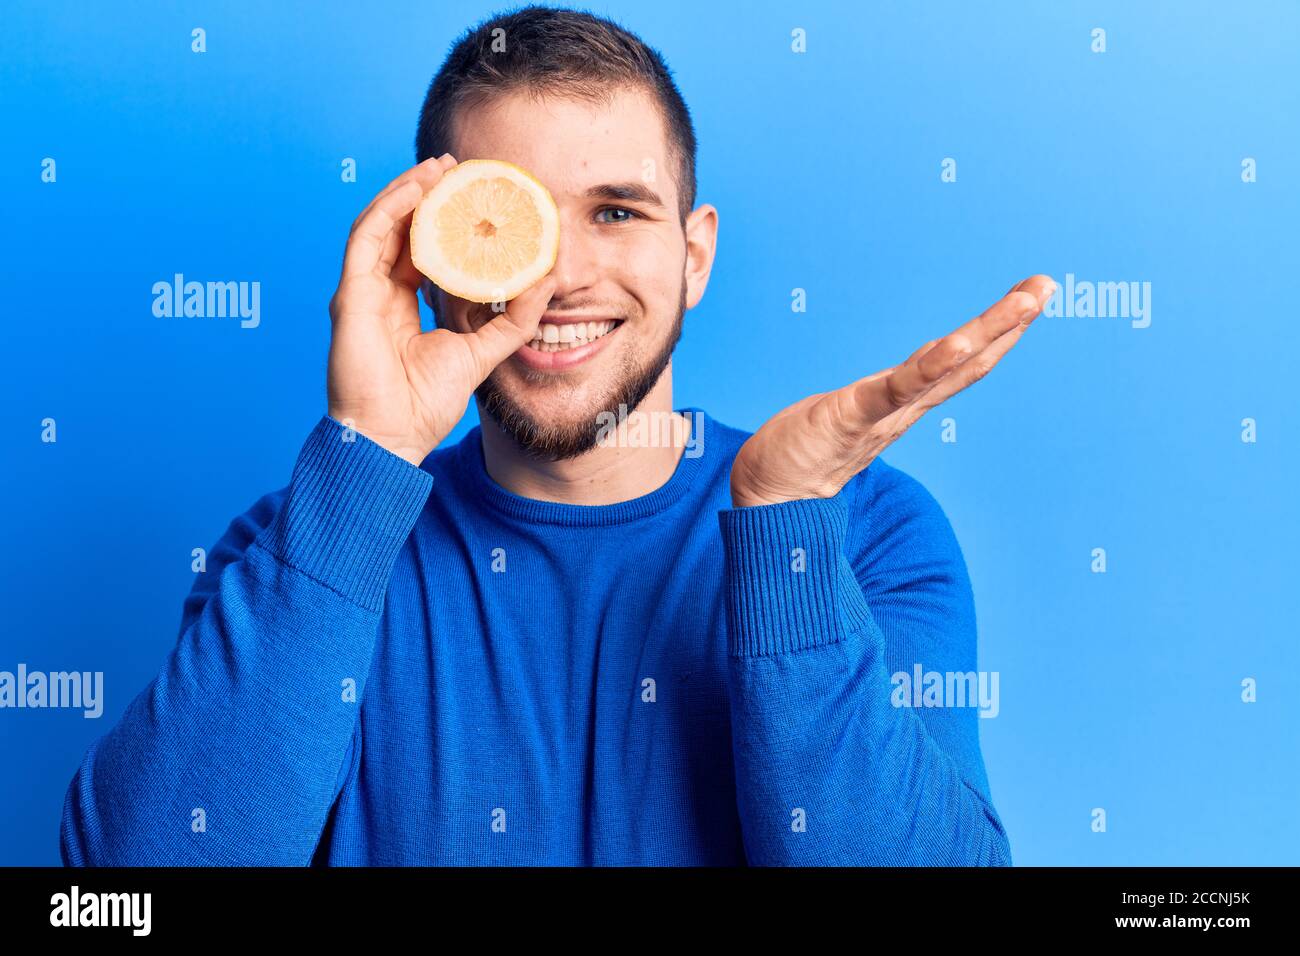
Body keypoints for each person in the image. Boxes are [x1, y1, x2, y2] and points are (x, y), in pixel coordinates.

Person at [60, 5, 1050, 866]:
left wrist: (786, 531)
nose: (561, 275)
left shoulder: (866, 531)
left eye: (616, 210)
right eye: (508, 217)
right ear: (425, 252)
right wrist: (364, 449)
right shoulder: (303, 541)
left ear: (693, 255)